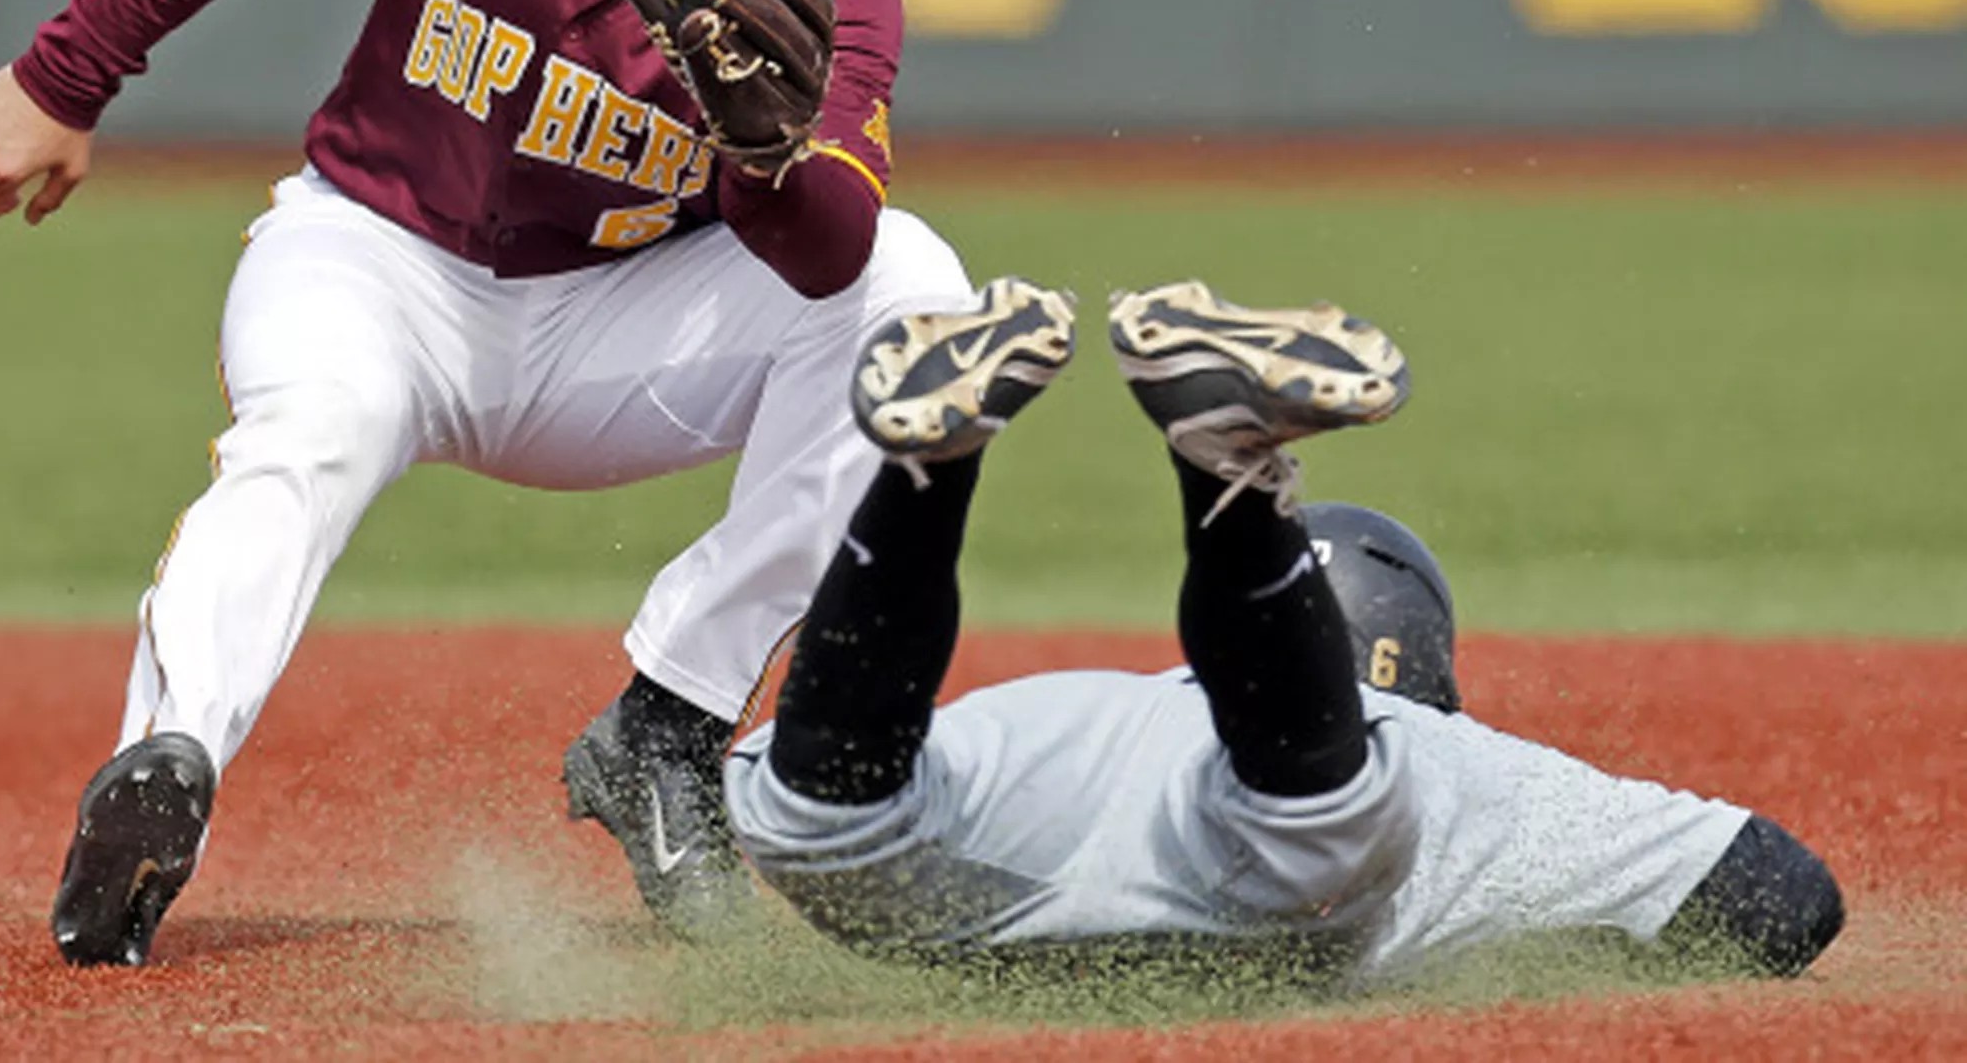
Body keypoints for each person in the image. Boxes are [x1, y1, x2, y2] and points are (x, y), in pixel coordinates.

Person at [0, 0, 977, 965]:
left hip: (618, 329)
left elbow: (826, 252)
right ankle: (163, 765)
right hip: (377, 258)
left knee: (916, 293)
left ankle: (669, 722)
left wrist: (759, 142)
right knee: (315, 429)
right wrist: (67, 76)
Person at [723, 277, 1846, 992]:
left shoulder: (1088, 711)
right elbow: (1785, 898)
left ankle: (927, 468)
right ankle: (1230, 466)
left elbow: (761, 768)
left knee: (829, 807)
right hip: (1264, 853)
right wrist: (1547, 961)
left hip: (1011, 810)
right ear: (1398, 660)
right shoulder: (1445, 762)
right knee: (1317, 821)